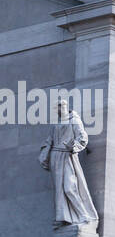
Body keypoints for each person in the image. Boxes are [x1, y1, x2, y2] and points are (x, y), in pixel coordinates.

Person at [38, 97, 98, 227]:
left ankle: (83, 214)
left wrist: (74, 147)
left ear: (64, 107)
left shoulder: (74, 120)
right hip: (55, 156)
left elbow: (82, 137)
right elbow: (50, 140)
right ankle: (62, 217)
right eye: (56, 108)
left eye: (59, 107)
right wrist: (44, 154)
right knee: (59, 189)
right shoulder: (56, 124)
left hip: (67, 156)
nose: (58, 110)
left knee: (70, 187)